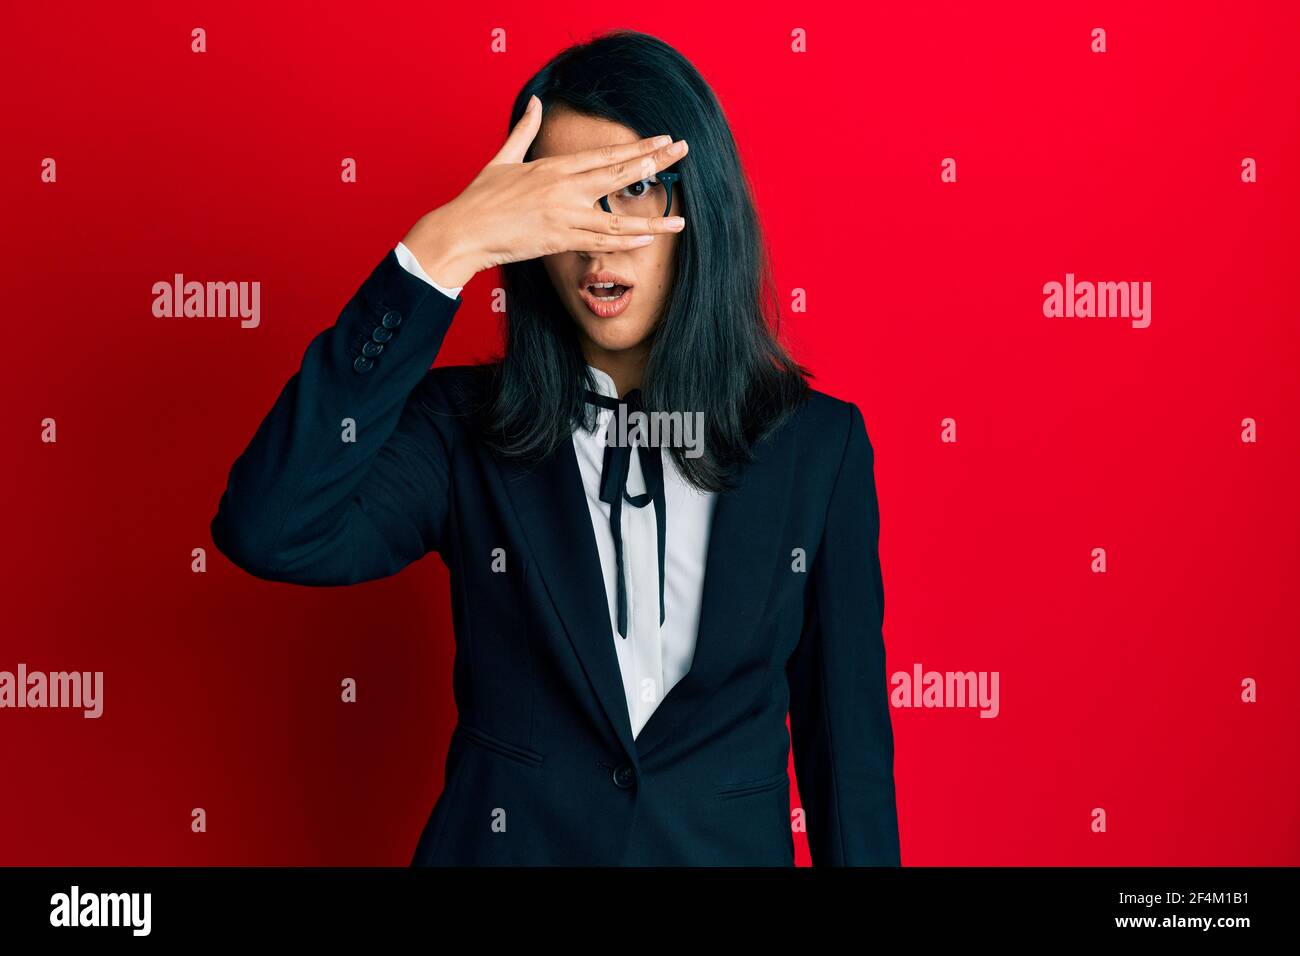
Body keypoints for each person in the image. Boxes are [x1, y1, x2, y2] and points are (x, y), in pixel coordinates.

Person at [210, 29, 900, 866]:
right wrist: (444, 248)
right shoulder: (462, 429)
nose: (598, 237)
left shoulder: (816, 447)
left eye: (635, 188)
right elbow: (271, 526)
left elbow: (846, 754)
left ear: (701, 208)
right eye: (563, 200)